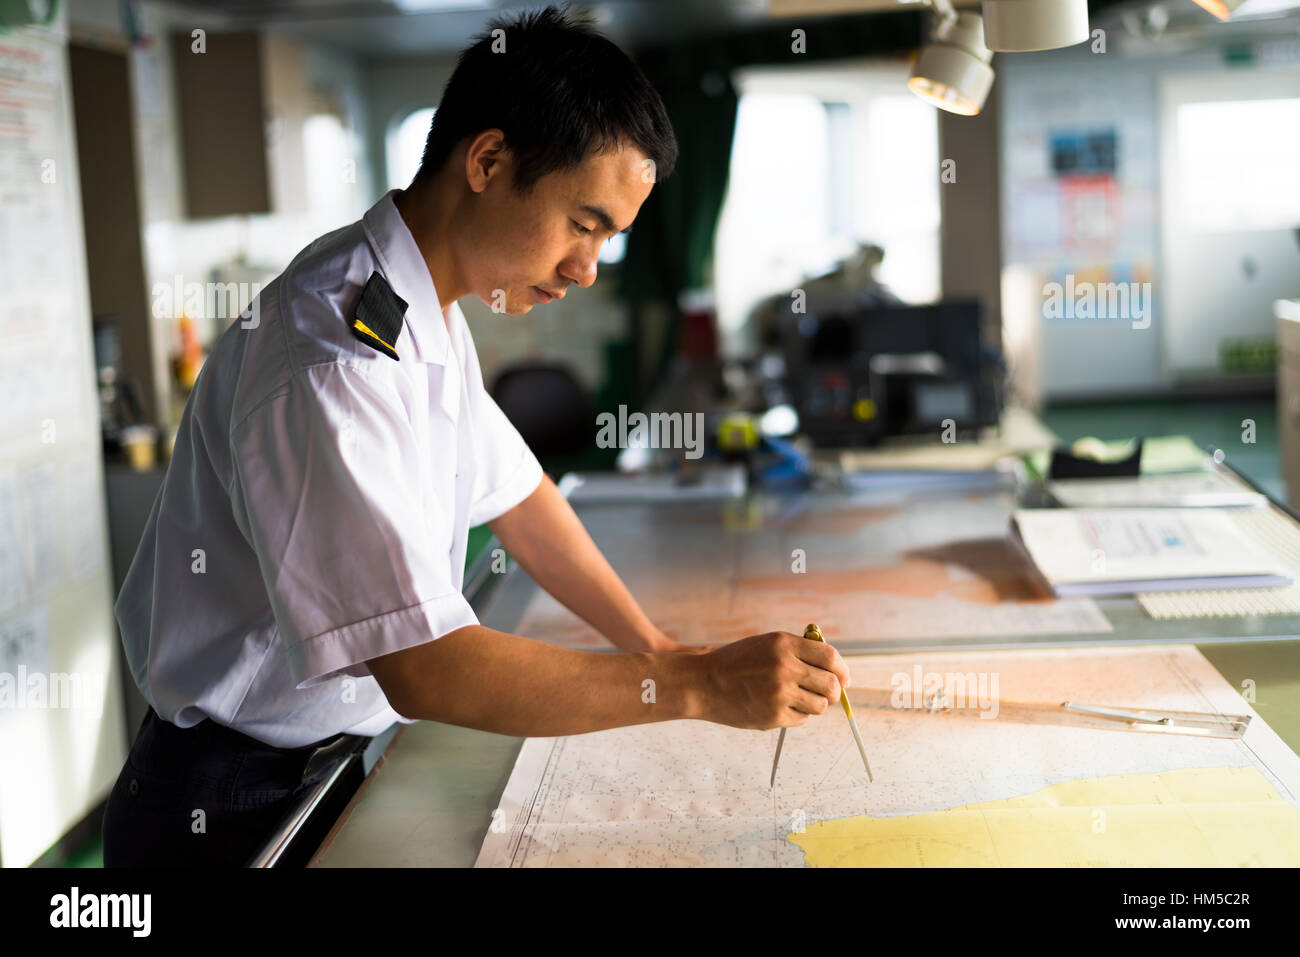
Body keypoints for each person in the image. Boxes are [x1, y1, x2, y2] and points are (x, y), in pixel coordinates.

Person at [103, 5, 849, 867]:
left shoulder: (423, 309)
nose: (586, 268)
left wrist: (653, 645)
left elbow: (523, 498)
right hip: (225, 802)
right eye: (584, 223)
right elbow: (428, 668)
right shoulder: (334, 354)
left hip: (328, 761)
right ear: (489, 161)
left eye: (608, 238)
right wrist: (697, 684)